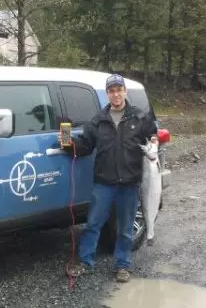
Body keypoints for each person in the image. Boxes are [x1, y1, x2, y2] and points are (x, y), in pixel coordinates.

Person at [59, 74, 158, 283]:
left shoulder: (140, 118)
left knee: (125, 226)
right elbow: (85, 146)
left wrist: (155, 140)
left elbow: (152, 134)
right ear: (108, 94)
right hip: (104, 183)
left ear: (125, 91)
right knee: (93, 223)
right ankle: (86, 261)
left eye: (119, 90)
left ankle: (122, 265)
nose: (116, 94)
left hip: (130, 184)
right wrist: (67, 143)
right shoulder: (98, 121)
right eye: (112, 91)